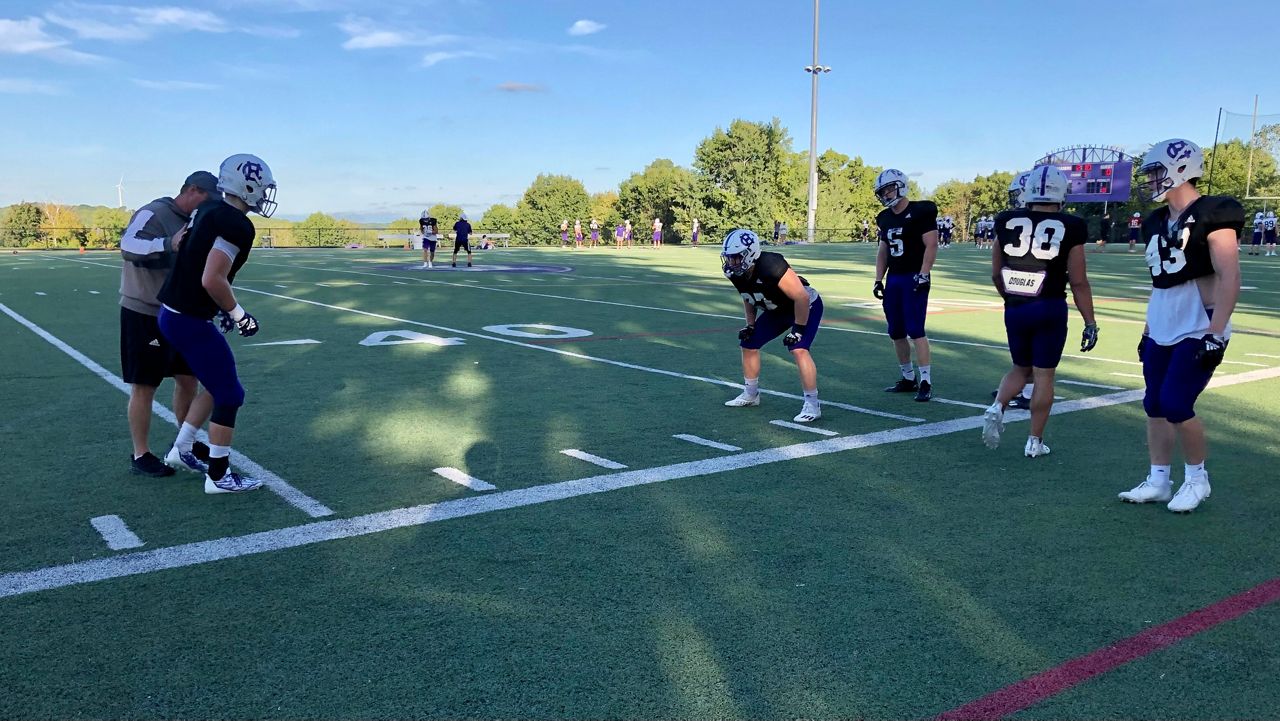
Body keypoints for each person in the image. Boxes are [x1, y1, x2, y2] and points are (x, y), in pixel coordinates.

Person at [1118, 138, 1243, 512]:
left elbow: (1230, 274)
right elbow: (1161, 282)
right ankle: (1158, 480)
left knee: (1176, 403)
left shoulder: (1214, 211)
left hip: (1198, 322)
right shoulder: (1158, 221)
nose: (1151, 180)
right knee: (1154, 404)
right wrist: (1146, 328)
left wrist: (1216, 331)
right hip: (1162, 321)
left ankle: (1196, 479)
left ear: (1180, 168)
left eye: (1156, 171)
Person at [158, 153, 278, 494]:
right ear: (249, 186)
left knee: (215, 383)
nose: (266, 194)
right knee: (230, 392)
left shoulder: (207, 209)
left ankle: (182, 448)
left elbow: (194, 261)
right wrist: (240, 314)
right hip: (187, 318)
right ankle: (219, 475)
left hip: (174, 311)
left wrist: (219, 308)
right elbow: (212, 278)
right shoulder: (236, 223)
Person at [982, 165, 1098, 458]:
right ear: (1061, 194)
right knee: (1044, 376)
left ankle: (997, 406)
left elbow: (996, 272)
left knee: (1020, 367)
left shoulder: (1006, 221)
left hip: (1016, 306)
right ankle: (1034, 441)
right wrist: (1090, 321)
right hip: (1049, 306)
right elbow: (1079, 280)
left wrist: (1009, 298)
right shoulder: (1071, 225)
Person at [118, 171, 218, 476]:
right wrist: (167, 243)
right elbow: (128, 244)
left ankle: (183, 442)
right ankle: (140, 454)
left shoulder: (198, 219)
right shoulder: (154, 212)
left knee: (189, 379)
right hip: (144, 311)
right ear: (192, 190)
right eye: (208, 200)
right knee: (145, 385)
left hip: (179, 314)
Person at [719, 229, 824, 422]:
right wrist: (750, 325)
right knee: (749, 344)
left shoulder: (771, 265)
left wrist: (798, 330)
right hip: (776, 310)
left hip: (804, 305)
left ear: (750, 253)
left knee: (798, 348)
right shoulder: (733, 272)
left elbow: (800, 296)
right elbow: (747, 296)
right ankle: (751, 394)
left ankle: (812, 404)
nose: (732, 262)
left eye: (736, 257)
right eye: (729, 258)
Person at [873, 168, 939, 402]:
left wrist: (924, 273)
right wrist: (878, 278)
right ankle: (908, 378)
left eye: (889, 189)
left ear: (901, 186)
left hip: (913, 276)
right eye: (883, 191)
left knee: (916, 330)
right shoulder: (884, 217)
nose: (886, 194)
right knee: (896, 332)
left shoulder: (922, 211)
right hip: (894, 278)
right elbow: (883, 251)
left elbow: (931, 244)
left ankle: (925, 381)